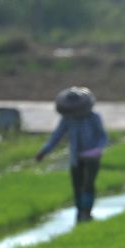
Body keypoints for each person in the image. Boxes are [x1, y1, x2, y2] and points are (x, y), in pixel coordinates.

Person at [35, 86, 108, 223]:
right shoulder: (68, 120)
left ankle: (86, 212)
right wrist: (44, 151)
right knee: (77, 186)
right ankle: (79, 212)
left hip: (92, 159)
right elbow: (56, 137)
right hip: (76, 158)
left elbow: (103, 137)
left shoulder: (93, 118)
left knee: (88, 185)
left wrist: (97, 150)